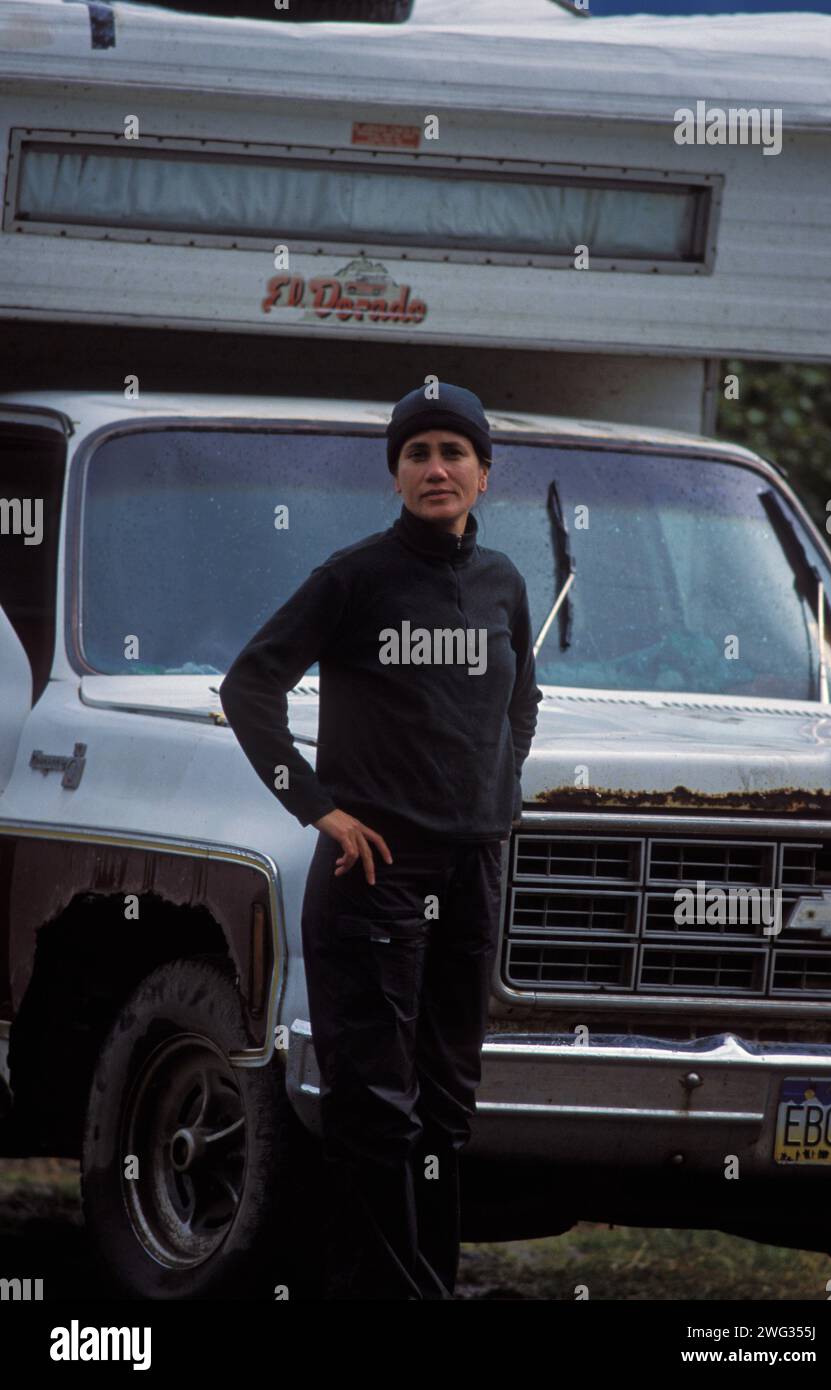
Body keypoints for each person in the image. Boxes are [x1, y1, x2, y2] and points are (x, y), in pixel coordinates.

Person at [219, 382, 542, 1299]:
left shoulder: (504, 584)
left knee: (445, 1109)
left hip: (474, 866)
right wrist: (316, 806)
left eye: (453, 453)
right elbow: (249, 689)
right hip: (375, 873)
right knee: (375, 1109)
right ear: (396, 474)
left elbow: (525, 698)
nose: (435, 469)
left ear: (484, 472)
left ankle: (426, 1284)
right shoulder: (353, 577)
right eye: (416, 455)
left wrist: (498, 790)